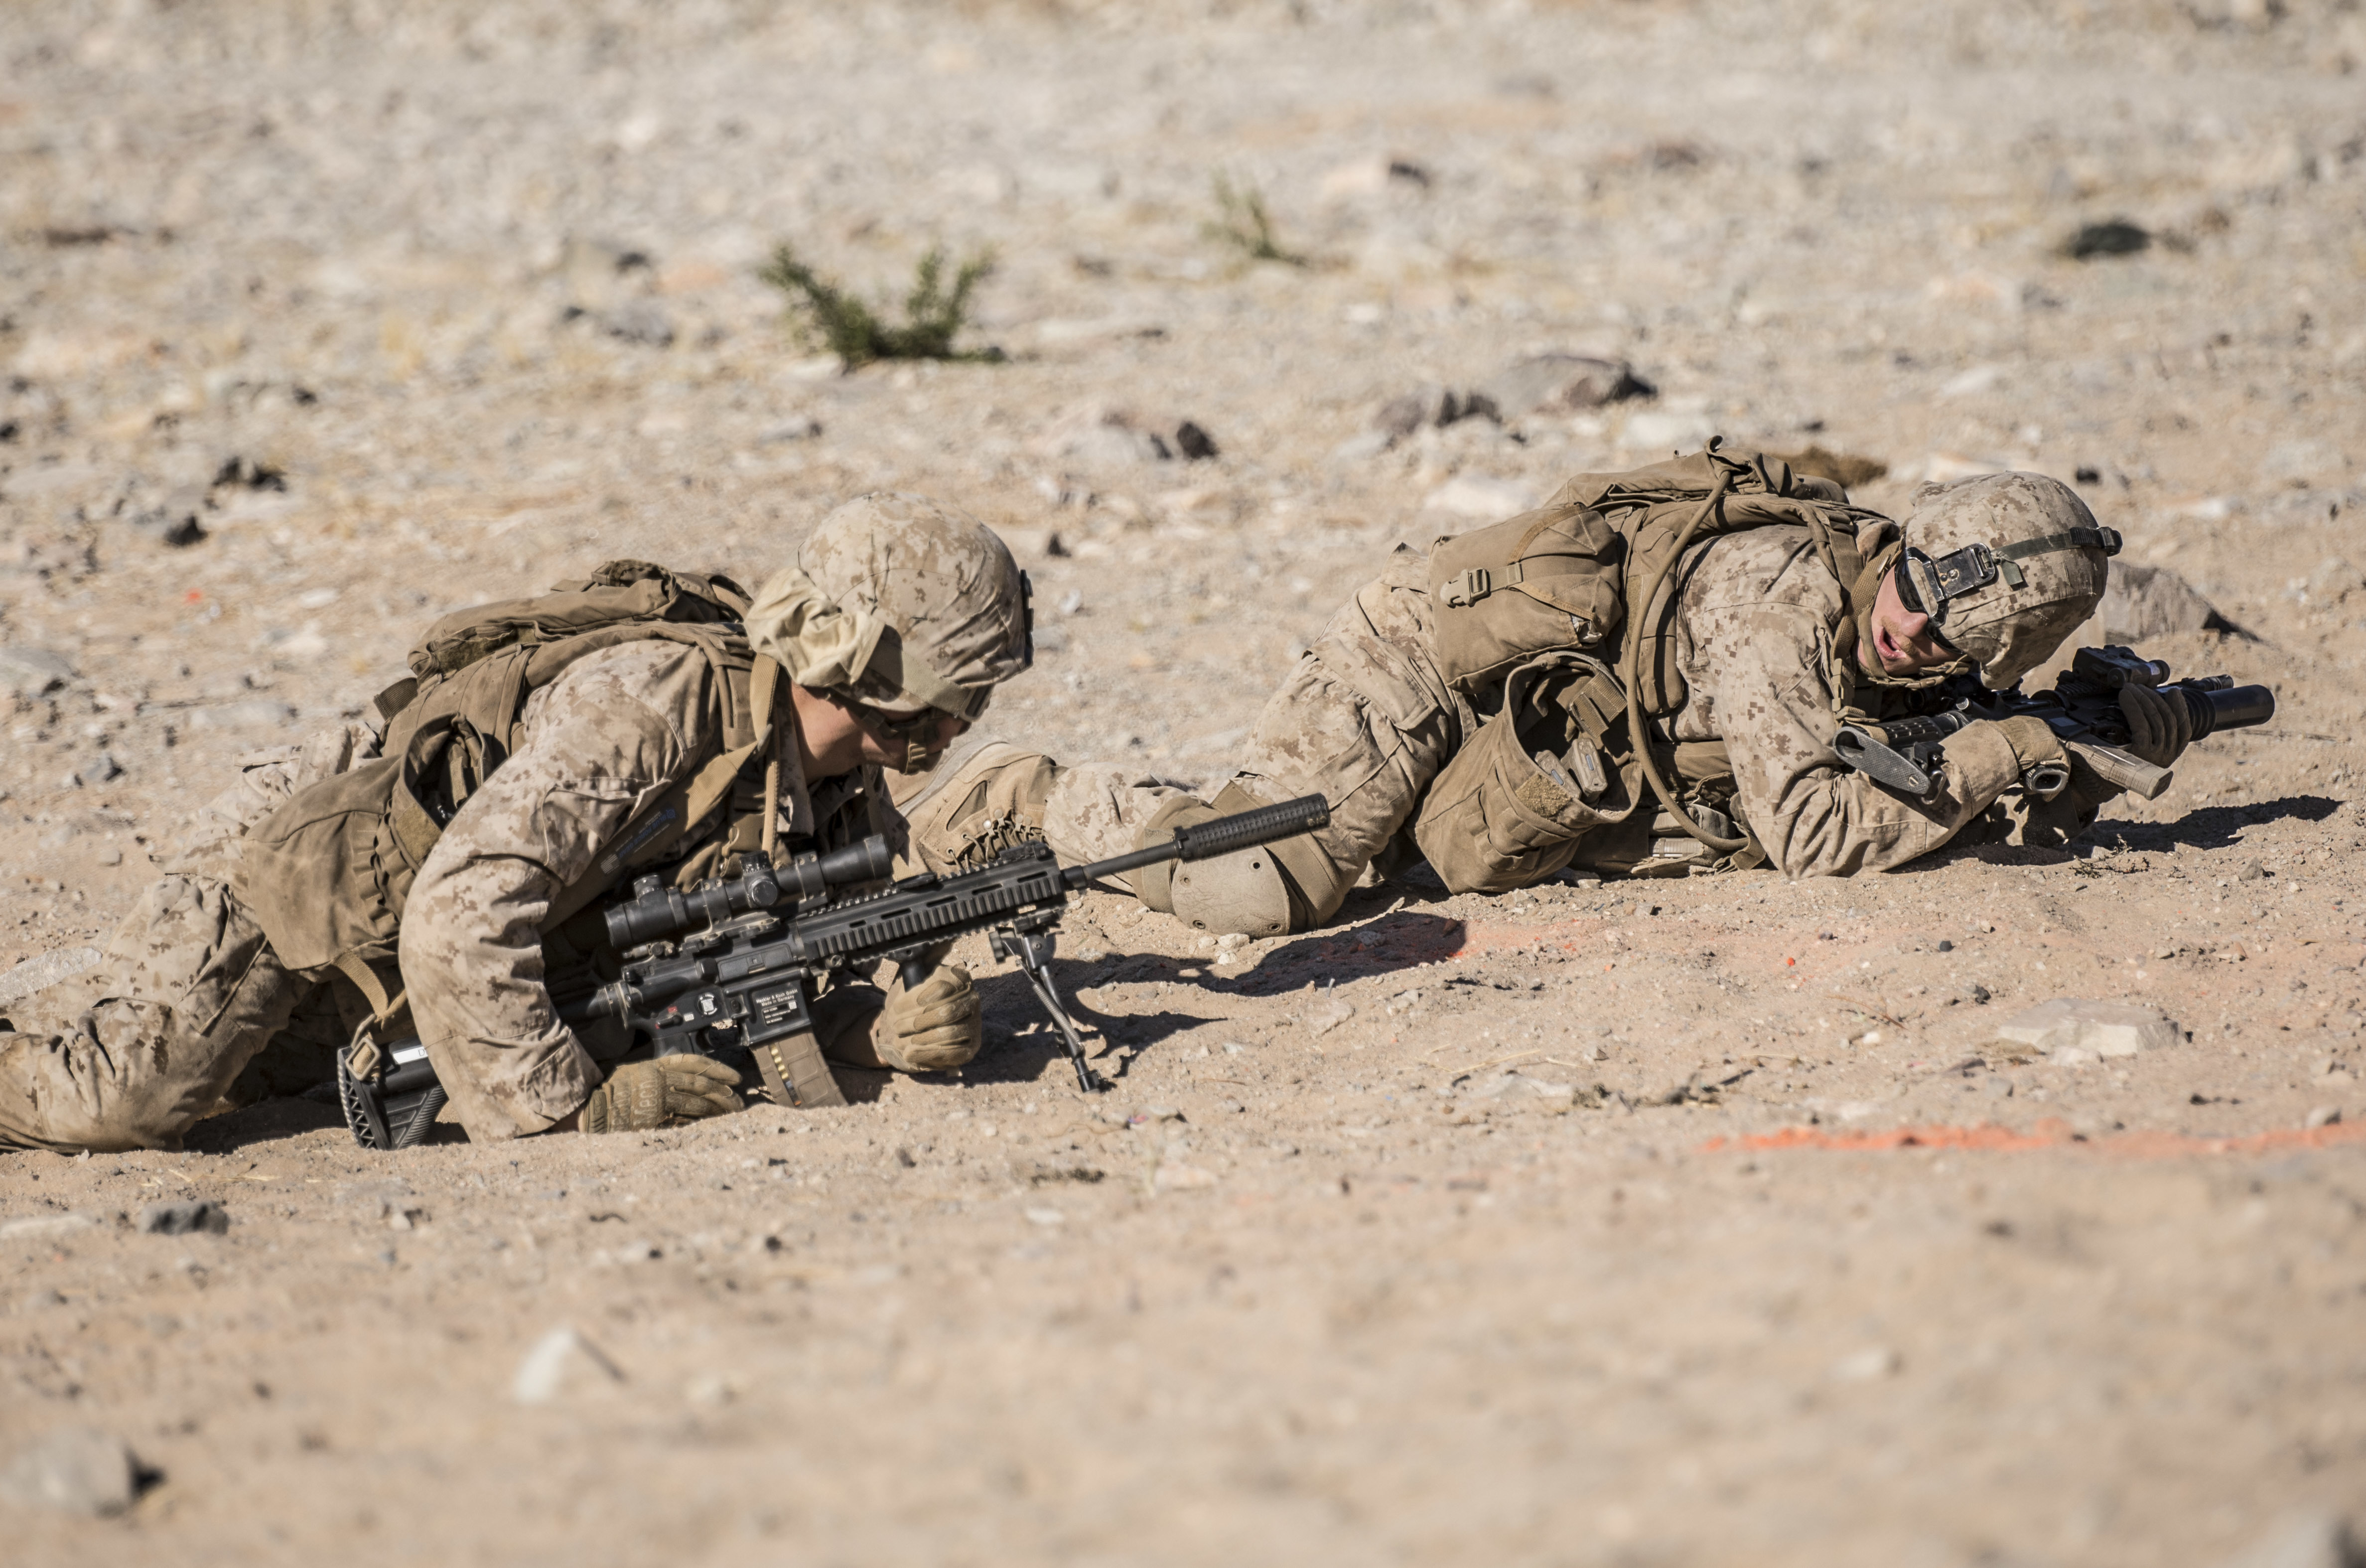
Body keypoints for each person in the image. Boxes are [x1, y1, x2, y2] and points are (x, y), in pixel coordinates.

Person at [0, 493, 1031, 1154]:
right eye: (966, 689)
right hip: (301, 871)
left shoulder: (828, 774)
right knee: (123, 1099)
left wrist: (874, 1031)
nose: (972, 716)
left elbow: (768, 964)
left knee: (295, 1088)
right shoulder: (655, 709)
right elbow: (461, 911)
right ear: (883, 670)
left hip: (417, 944)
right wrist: (576, 1105)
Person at [891, 449, 2195, 936]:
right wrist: (2010, 751)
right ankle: (1033, 797)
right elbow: (1814, 834)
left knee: (1390, 882)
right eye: (1907, 586)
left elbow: (1914, 776)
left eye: (1943, 639)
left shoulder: (1938, 665)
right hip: (1422, 665)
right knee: (1263, 888)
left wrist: (2083, 753)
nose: (1903, 625)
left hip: (1537, 753)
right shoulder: (1782, 598)